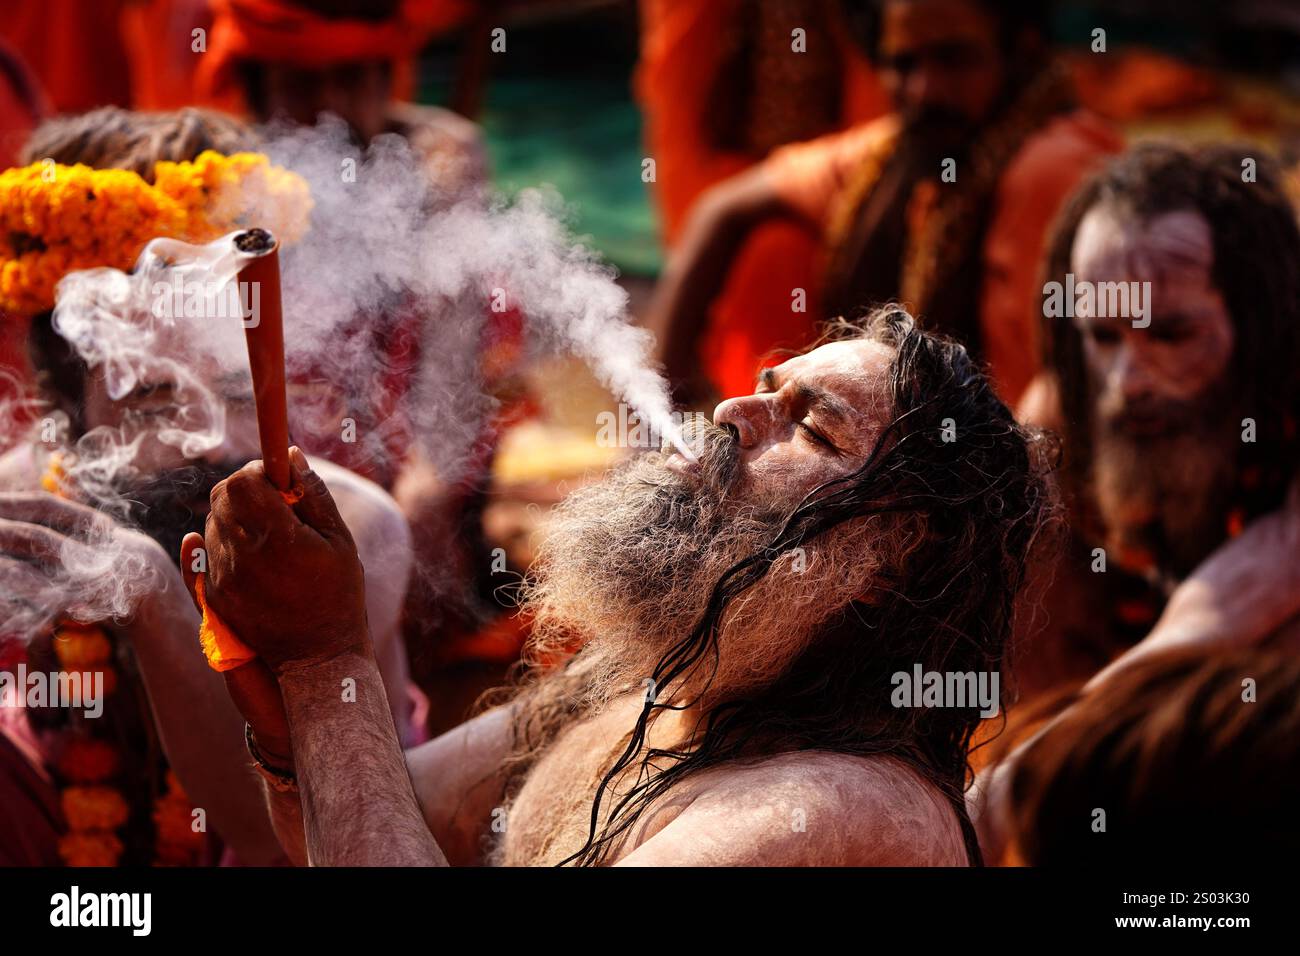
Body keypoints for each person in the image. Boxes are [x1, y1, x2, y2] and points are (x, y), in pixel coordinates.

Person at [186, 306, 1051, 866]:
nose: (731, 414)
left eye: (813, 428)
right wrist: (293, 710)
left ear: (889, 568)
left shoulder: (841, 812)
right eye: (765, 389)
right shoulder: (644, 688)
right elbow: (363, 826)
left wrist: (326, 658)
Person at [0, 109, 420, 866]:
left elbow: (280, 845)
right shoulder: (18, 510)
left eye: (234, 389)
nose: (220, 442)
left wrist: (157, 601)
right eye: (159, 399)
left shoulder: (354, 535)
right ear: (65, 398)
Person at [649, 0, 1120, 405]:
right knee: (775, 246)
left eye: (954, 58)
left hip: (1014, 481)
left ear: (1021, 51)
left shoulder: (1051, 168)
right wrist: (656, 406)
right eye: (903, 64)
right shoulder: (902, 154)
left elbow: (1054, 400)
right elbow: (721, 208)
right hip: (916, 471)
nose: (925, 90)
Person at [1010, 142, 1300, 705]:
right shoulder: (1059, 422)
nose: (1129, 382)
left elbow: (1239, 609)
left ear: (1256, 328)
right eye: (1103, 337)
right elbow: (1029, 670)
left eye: (1171, 336)